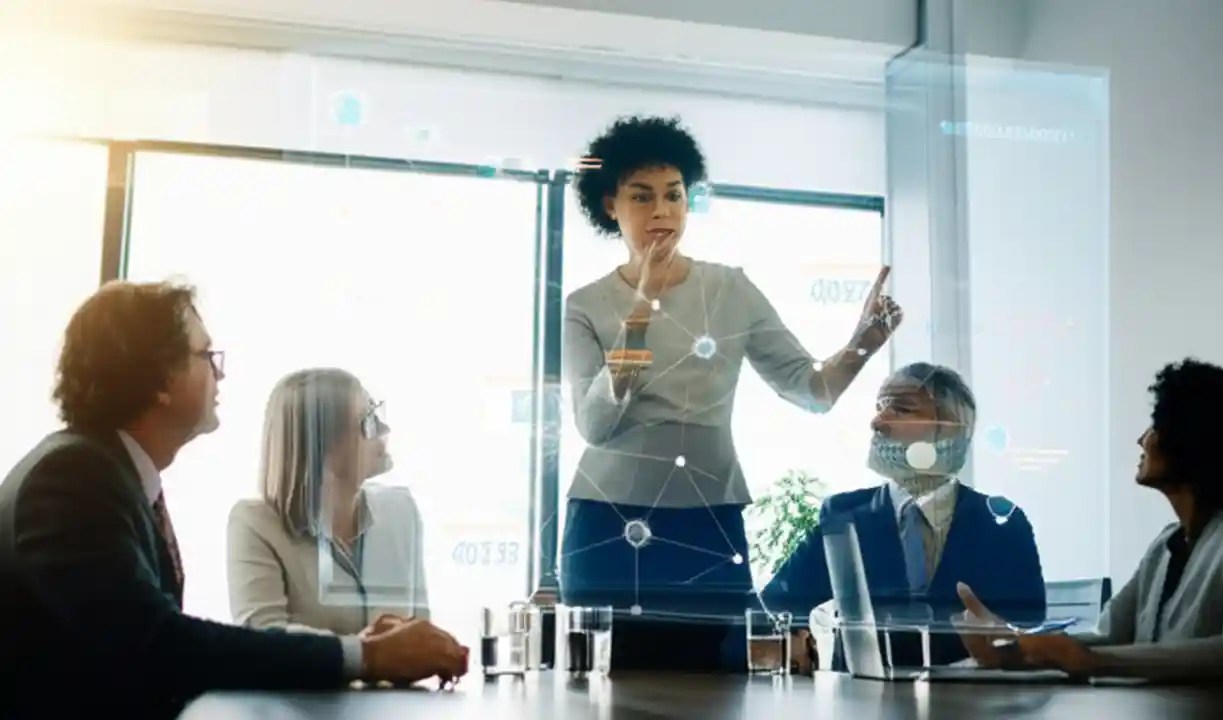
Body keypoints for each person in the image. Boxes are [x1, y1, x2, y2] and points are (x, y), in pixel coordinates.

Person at [0, 281, 466, 720]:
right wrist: (365, 655)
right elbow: (156, 642)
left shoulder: (106, 473)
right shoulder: (72, 478)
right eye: (206, 356)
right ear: (161, 380)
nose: (219, 373)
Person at [560, 114, 901, 670]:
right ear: (610, 206)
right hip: (606, 523)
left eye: (674, 195)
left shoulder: (730, 289)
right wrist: (641, 307)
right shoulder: (585, 305)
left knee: (718, 685)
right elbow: (595, 423)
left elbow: (813, 391)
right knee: (610, 691)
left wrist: (864, 342)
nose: (662, 211)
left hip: (707, 517)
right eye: (642, 197)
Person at [960, 358, 1223, 683]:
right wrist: (1014, 646)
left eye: (1156, 426)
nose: (1143, 440)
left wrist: (1089, 660)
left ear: (1195, 438)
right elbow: (1110, 636)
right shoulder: (1166, 543)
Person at [761, 362, 1045, 671]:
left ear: (952, 427)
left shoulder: (1002, 524)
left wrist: (1007, 639)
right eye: (880, 407)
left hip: (970, 703)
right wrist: (790, 634)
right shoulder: (844, 515)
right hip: (862, 705)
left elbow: (1031, 630)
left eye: (901, 409)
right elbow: (776, 605)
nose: (877, 422)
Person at [227, 368, 429, 635]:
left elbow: (420, 632)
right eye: (368, 421)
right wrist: (369, 655)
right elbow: (264, 646)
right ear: (324, 445)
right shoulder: (255, 524)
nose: (384, 429)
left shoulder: (401, 511)